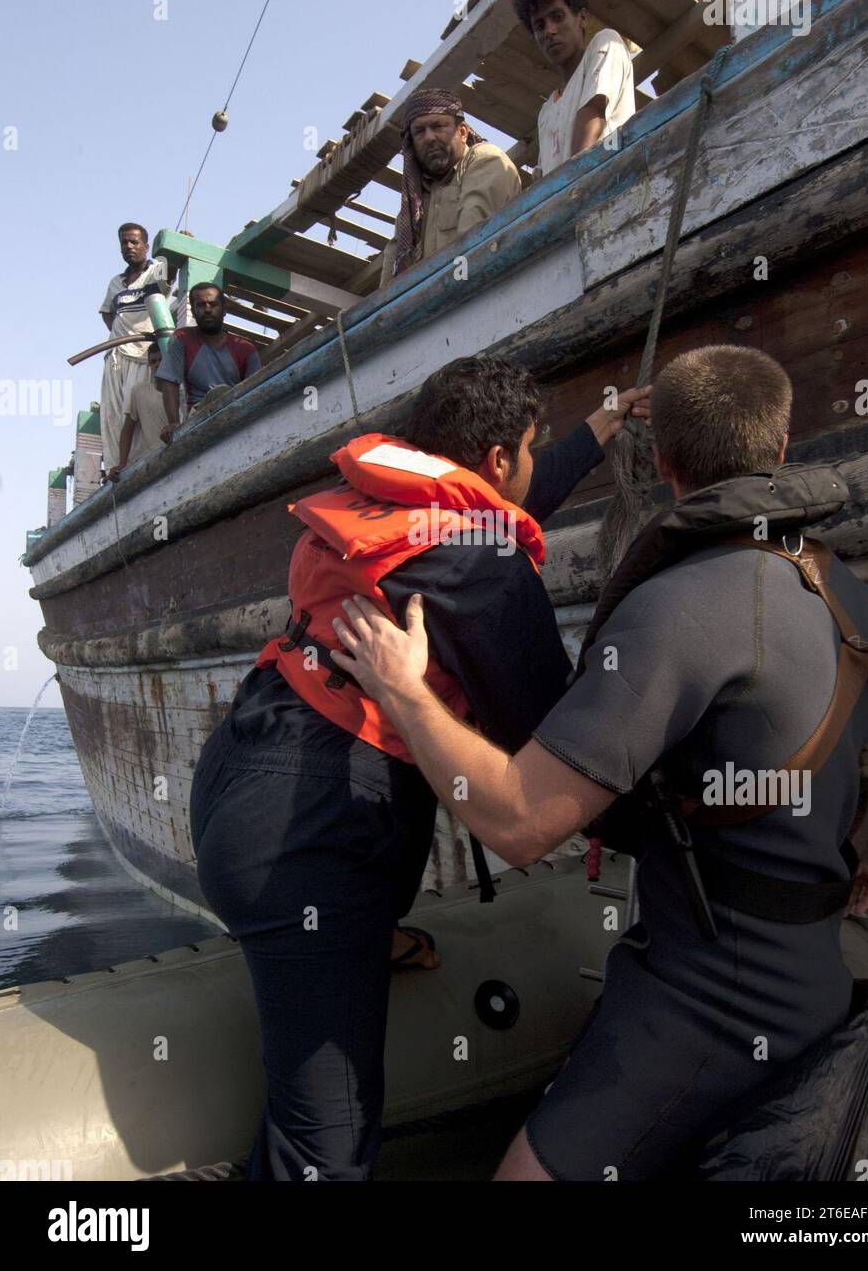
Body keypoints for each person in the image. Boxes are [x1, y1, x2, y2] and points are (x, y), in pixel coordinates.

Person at [332, 344, 868, 1182]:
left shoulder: (673, 611)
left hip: (703, 998)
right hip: (818, 977)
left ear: (667, 464)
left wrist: (404, 692)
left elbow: (521, 821)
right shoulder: (852, 596)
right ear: (783, 449)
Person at [187, 354, 651, 1180]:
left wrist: (600, 431)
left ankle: (365, 937)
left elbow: (493, 520)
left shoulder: (392, 504)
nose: (534, 469)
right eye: (533, 451)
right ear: (498, 459)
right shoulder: (485, 566)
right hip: (308, 840)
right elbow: (551, 744)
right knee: (326, 1149)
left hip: (238, 772)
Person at [379, 88, 522, 285]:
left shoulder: (485, 159)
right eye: (419, 131)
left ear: (462, 132)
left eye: (438, 126)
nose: (429, 137)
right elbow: (392, 270)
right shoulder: (414, 202)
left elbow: (472, 243)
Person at [514, 0, 635, 178]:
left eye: (557, 17)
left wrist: (569, 188)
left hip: (610, 189)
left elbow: (594, 114)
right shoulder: (547, 111)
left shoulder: (606, 44)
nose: (549, 30)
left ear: (582, 18)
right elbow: (542, 178)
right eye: (539, 26)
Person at [98, 223, 169, 470]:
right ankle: (115, 466)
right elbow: (107, 312)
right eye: (124, 242)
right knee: (113, 415)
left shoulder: (157, 270)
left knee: (135, 411)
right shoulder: (116, 282)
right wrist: (119, 331)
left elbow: (170, 279)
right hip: (115, 355)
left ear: (146, 246)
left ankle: (137, 465)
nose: (129, 247)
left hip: (142, 355)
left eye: (134, 242)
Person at [154, 283, 261, 442]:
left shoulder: (245, 349)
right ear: (194, 312)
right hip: (199, 415)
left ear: (224, 310)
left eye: (213, 304)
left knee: (226, 394)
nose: (208, 309)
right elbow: (170, 380)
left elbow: (257, 390)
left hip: (237, 412)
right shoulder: (183, 338)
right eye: (201, 305)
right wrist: (173, 424)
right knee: (220, 393)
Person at [106, 342, 168, 479]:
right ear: (149, 366)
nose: (157, 364)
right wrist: (122, 464)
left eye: (161, 359)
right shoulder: (140, 391)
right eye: (153, 361)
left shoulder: (182, 389)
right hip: (155, 458)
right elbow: (128, 429)